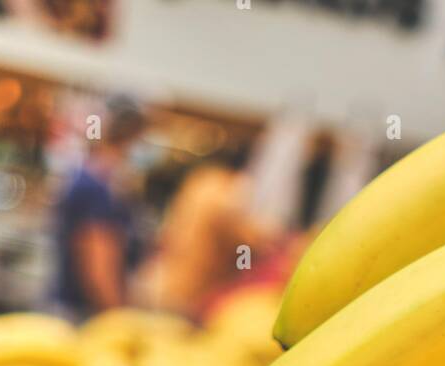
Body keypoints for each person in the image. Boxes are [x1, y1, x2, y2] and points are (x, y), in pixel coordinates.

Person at [135, 144, 279, 322]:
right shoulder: (225, 188)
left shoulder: (199, 179)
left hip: (158, 279)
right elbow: (246, 237)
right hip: (186, 293)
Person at [52, 96, 146, 320]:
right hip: (82, 313)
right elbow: (98, 266)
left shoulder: (83, 177)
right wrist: (118, 319)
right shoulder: (98, 189)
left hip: (67, 304)